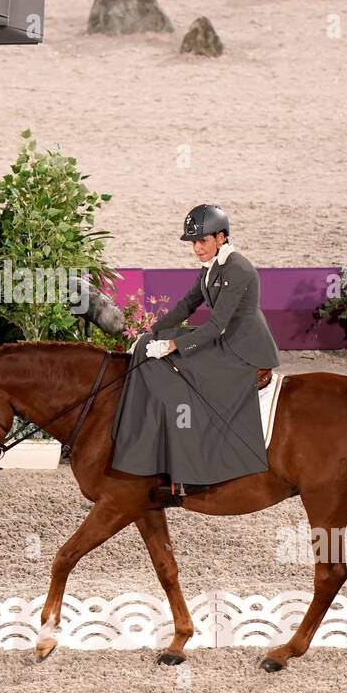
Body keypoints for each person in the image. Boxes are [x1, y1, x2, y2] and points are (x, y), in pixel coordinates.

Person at [110, 204, 281, 505]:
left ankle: (192, 471)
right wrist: (151, 333)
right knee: (153, 347)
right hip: (227, 338)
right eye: (194, 242)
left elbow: (216, 325)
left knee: (182, 370)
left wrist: (173, 346)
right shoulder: (211, 268)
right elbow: (185, 306)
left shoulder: (237, 269)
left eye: (202, 241)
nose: (197, 248)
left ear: (221, 237)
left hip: (244, 349)